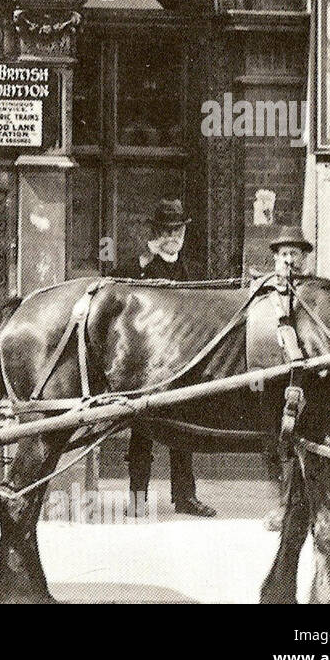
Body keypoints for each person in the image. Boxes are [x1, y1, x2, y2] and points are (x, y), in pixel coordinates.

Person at [111, 198, 216, 517]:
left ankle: (185, 496)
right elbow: (114, 289)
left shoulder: (193, 269)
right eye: (167, 231)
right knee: (142, 430)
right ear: (155, 233)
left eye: (178, 231)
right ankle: (138, 498)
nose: (173, 237)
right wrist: (145, 263)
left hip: (183, 360)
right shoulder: (137, 265)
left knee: (183, 428)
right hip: (148, 364)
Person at [261, 226, 314, 531]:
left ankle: (292, 506)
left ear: (304, 258)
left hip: (305, 382)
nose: (288, 260)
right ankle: (281, 505)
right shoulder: (267, 290)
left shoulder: (311, 291)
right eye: (283, 254)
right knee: (275, 445)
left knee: (298, 447)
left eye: (294, 254)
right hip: (272, 379)